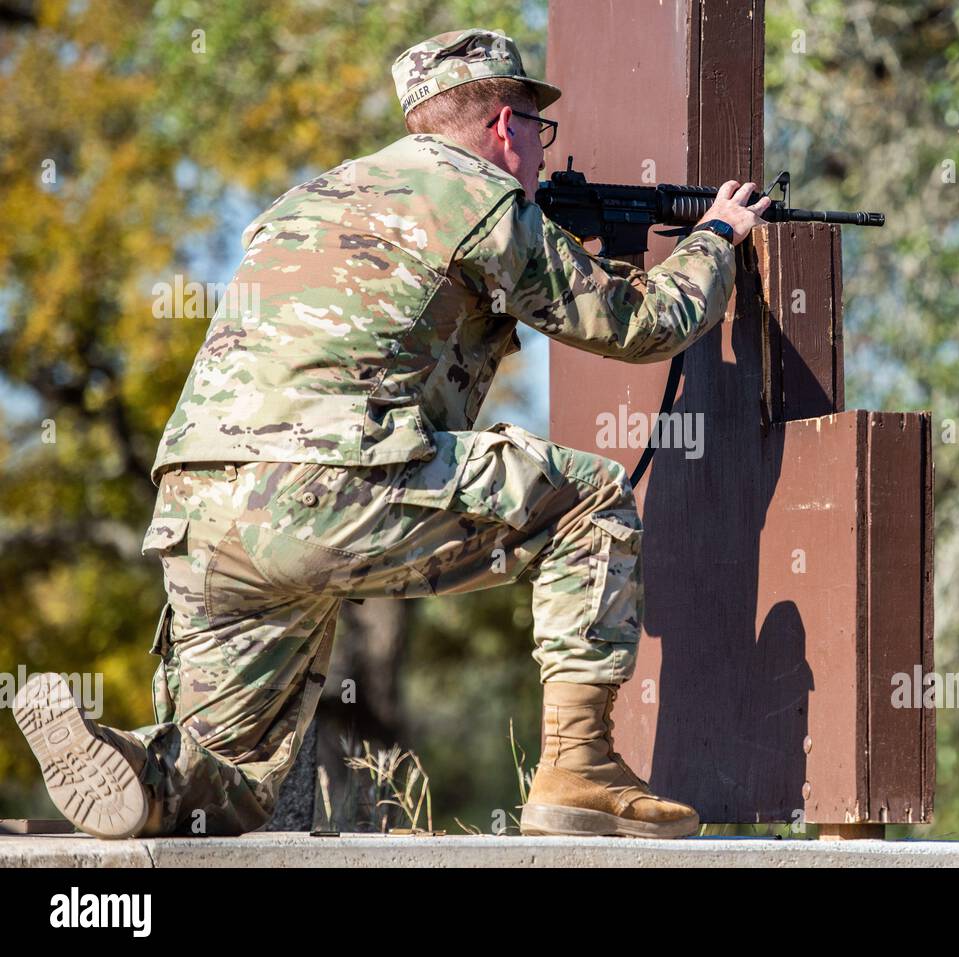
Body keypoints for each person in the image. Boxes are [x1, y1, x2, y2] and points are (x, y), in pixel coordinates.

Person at [13, 28, 770, 840]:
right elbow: (638, 323)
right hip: (329, 485)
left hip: (201, 509)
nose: (540, 158)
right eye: (537, 134)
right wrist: (716, 237)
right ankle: (577, 772)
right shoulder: (481, 196)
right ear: (506, 124)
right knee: (589, 499)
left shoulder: (306, 199)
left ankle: (136, 766)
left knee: (229, 779)